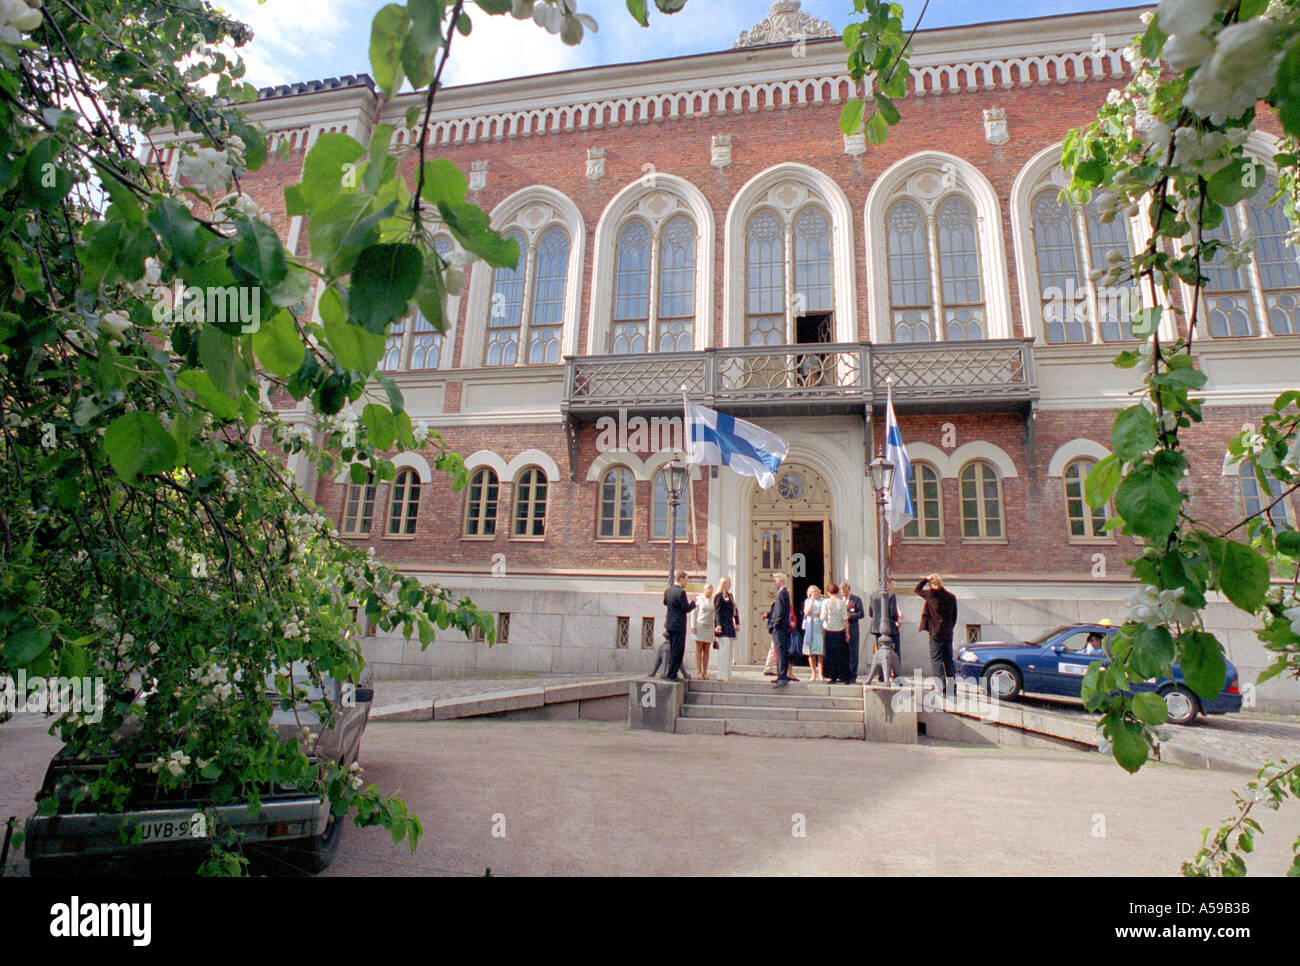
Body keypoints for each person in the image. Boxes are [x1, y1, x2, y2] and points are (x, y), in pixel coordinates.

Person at [915, 573, 958, 694]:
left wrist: (925, 579)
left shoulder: (931, 595)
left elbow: (917, 589)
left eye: (930, 584)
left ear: (932, 584)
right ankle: (952, 688)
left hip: (935, 632)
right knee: (948, 661)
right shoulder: (951, 597)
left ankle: (941, 686)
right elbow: (954, 616)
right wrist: (950, 628)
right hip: (948, 633)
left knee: (936, 660)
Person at [865, 579, 902, 685]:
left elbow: (871, 612)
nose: (892, 586)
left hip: (877, 628)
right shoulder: (890, 595)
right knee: (895, 652)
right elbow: (893, 613)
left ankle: (881, 675)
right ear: (887, 583)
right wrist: (896, 620)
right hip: (889, 628)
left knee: (879, 652)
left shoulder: (873, 595)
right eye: (892, 583)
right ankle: (896, 676)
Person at [662, 570, 696, 681]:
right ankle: (672, 675)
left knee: (673, 650)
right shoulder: (681, 592)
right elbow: (686, 608)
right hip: (678, 626)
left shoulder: (668, 591)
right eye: (686, 580)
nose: (686, 582)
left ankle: (670, 674)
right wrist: (693, 602)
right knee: (678, 651)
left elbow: (665, 603)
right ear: (680, 579)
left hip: (670, 624)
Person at [820, 582, 852, 684]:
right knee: (842, 655)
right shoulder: (841, 602)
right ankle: (844, 676)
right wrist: (847, 633)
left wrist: (819, 615)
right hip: (840, 631)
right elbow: (845, 619)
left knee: (830, 655)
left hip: (829, 631)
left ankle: (832, 676)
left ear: (828, 592)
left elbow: (822, 617)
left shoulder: (826, 602)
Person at [768, 573, 795, 687]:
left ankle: (783, 677)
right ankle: (780, 675)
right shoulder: (782, 593)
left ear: (781, 581)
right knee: (779, 652)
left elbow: (780, 611)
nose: (775, 582)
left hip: (779, 628)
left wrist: (774, 624)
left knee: (781, 652)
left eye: (776, 580)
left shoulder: (783, 593)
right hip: (780, 627)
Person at [713, 577, 739, 682]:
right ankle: (722, 675)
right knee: (724, 651)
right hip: (722, 626)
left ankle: (728, 674)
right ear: (724, 584)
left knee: (730, 652)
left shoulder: (730, 596)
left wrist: (737, 622)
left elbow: (735, 610)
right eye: (729, 583)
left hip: (730, 626)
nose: (730, 585)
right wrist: (718, 625)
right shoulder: (718, 597)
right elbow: (717, 612)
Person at [843, 581, 865, 682]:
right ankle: (844, 674)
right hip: (842, 628)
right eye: (843, 592)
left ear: (849, 590)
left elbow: (861, 614)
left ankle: (853, 675)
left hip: (853, 628)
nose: (844, 594)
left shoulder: (856, 600)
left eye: (846, 592)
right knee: (844, 652)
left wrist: (851, 615)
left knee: (853, 652)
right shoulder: (840, 600)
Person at [802, 585, 825, 682]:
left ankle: (821, 674)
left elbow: (826, 611)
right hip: (810, 627)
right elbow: (806, 613)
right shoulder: (807, 601)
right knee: (811, 652)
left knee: (820, 652)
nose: (814, 594)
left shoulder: (823, 601)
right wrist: (811, 603)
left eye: (816, 592)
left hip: (819, 626)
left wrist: (820, 612)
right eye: (812, 592)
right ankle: (813, 674)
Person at [693, 583, 716, 680]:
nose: (709, 595)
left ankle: (705, 672)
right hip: (700, 625)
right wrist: (692, 626)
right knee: (699, 648)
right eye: (707, 593)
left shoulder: (714, 600)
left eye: (710, 593)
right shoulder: (699, 599)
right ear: (704, 591)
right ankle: (699, 672)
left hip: (710, 626)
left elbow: (716, 613)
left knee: (707, 649)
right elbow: (694, 613)